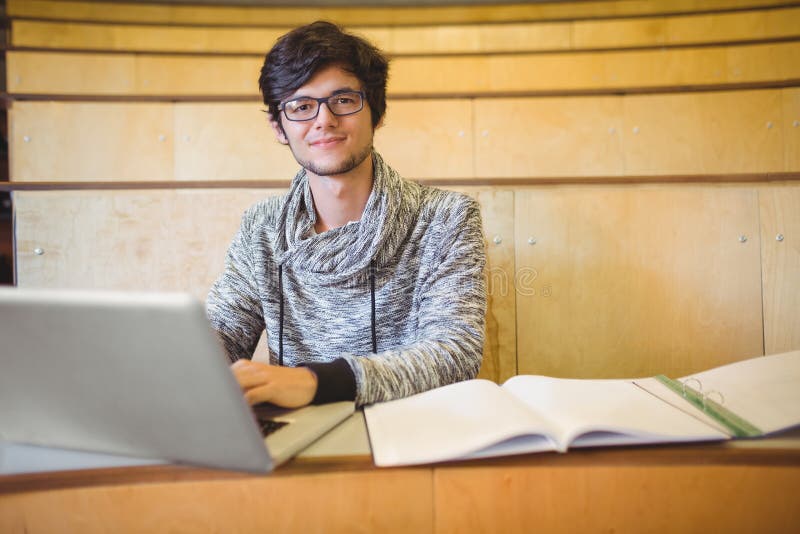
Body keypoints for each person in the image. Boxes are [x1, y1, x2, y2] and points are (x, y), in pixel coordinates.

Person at [207, 21, 486, 408]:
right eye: (302, 106)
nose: (324, 120)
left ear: (376, 111)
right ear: (278, 127)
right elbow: (219, 334)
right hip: (297, 437)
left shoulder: (446, 218)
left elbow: (454, 352)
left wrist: (316, 382)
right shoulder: (262, 227)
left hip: (414, 433)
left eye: (343, 100)